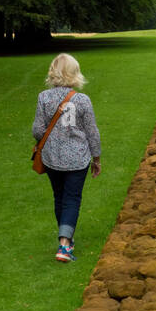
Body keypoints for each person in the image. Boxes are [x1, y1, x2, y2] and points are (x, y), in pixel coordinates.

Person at [31, 53, 101, 262]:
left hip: (52, 157)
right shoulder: (82, 100)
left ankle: (66, 241)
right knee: (71, 199)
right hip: (78, 158)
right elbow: (92, 132)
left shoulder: (44, 97)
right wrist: (96, 158)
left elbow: (37, 130)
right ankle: (64, 246)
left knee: (60, 197)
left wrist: (52, 139)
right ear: (74, 73)